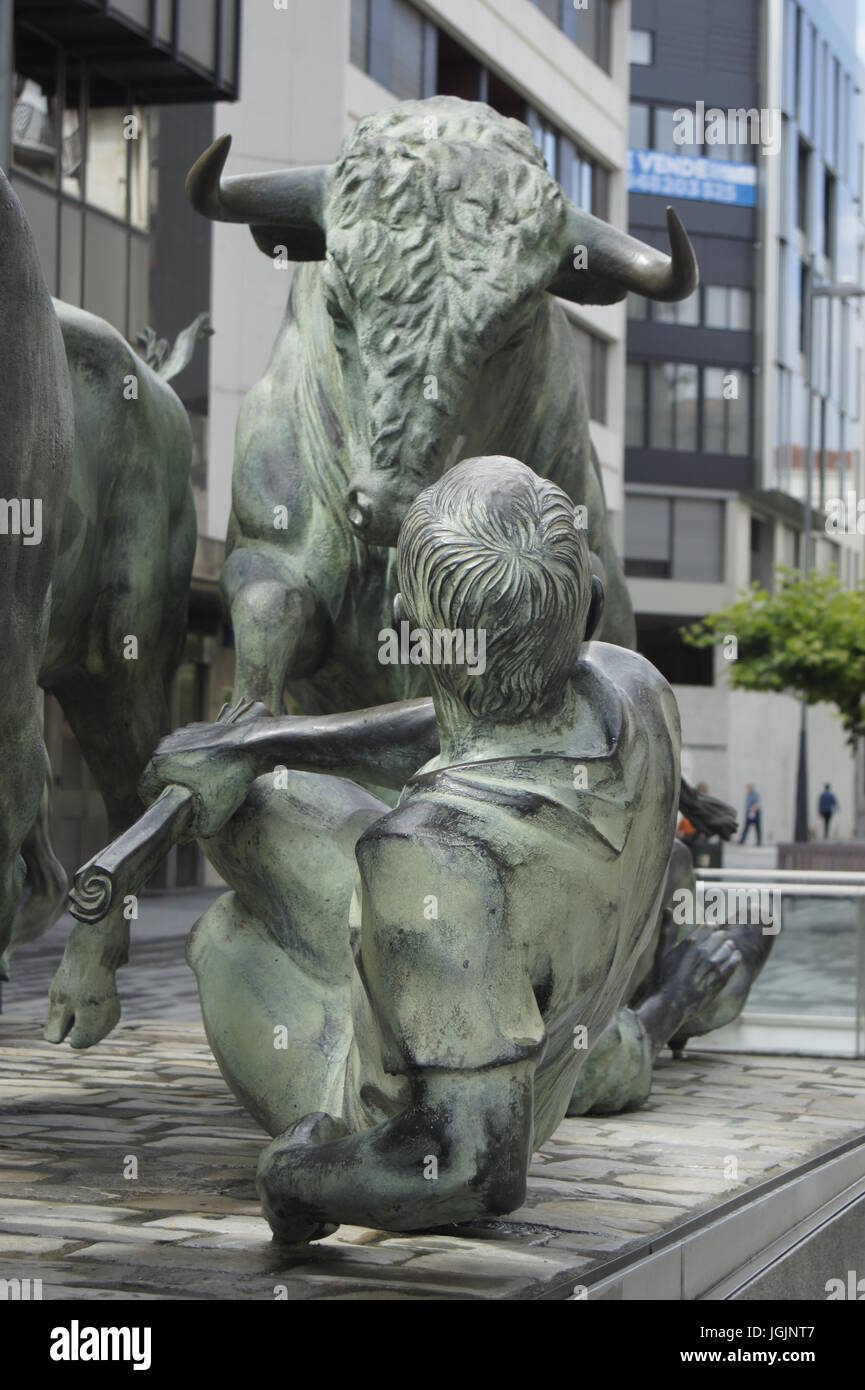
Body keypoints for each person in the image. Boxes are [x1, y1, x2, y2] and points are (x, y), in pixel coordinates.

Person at [137, 457, 738, 1241]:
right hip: (537, 1033)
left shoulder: (428, 855)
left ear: (409, 630)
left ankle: (309, 990)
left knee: (223, 932)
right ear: (587, 606)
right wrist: (260, 741)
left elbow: (470, 1168)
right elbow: (463, 727)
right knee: (265, 805)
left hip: (381, 1111)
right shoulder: (635, 690)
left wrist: (295, 1179)